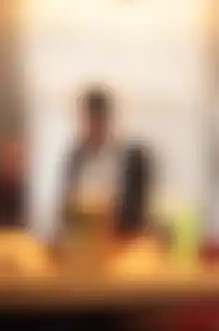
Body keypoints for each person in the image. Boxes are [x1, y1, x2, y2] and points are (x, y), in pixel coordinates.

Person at [59, 86, 152, 238]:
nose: (90, 127)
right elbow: (65, 203)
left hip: (123, 238)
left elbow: (138, 210)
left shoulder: (133, 157)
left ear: (107, 120)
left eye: (95, 119)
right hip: (83, 239)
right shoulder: (76, 156)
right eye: (86, 120)